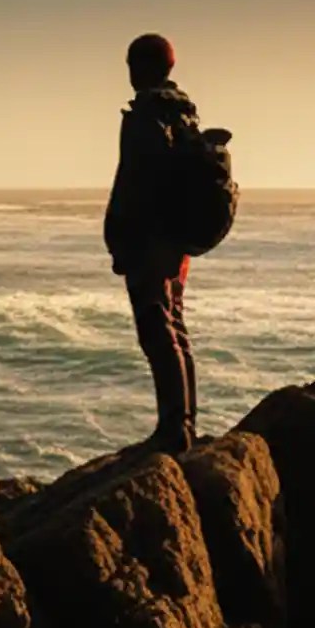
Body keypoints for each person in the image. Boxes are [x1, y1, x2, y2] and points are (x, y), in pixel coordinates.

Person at [103, 33, 200, 452]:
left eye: (130, 63)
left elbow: (135, 186)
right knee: (174, 326)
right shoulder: (183, 113)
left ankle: (173, 429)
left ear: (140, 66)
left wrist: (121, 240)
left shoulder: (147, 116)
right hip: (175, 241)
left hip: (150, 241)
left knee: (157, 331)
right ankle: (184, 424)